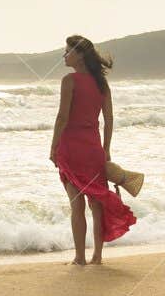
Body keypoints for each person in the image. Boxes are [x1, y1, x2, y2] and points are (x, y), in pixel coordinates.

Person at [49, 35, 135, 266]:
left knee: (76, 204)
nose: (64, 56)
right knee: (95, 204)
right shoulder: (101, 85)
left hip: (71, 149)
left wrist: (53, 146)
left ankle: (80, 257)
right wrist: (106, 149)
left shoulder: (70, 81)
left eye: (67, 51)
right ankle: (97, 256)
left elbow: (62, 117)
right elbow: (109, 119)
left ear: (79, 55)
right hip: (93, 149)